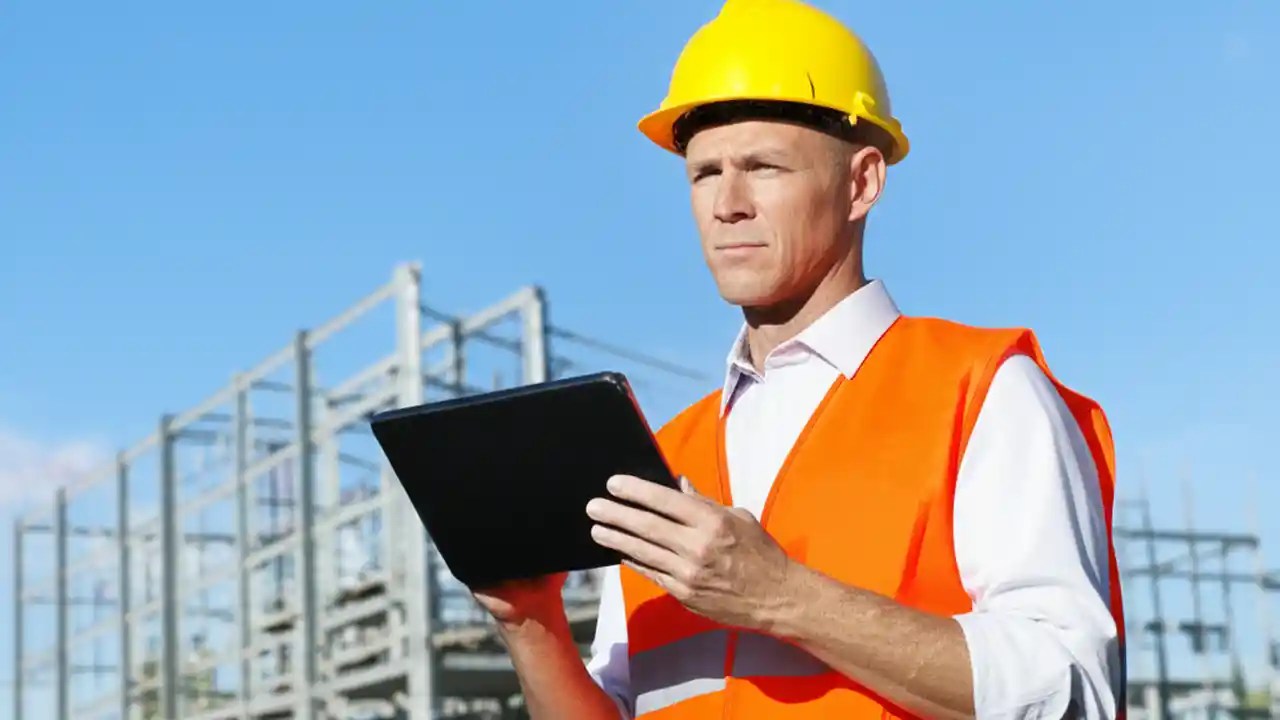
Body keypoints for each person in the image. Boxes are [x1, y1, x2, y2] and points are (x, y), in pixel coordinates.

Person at [472, 0, 1126, 718]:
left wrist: (783, 597)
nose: (728, 203)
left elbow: (1076, 693)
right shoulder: (662, 458)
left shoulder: (981, 393)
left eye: (764, 166)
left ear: (862, 182)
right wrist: (532, 626)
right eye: (704, 173)